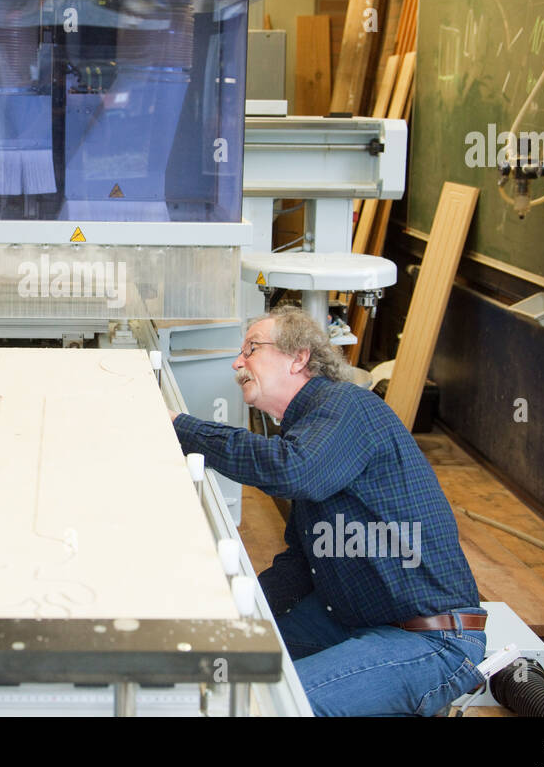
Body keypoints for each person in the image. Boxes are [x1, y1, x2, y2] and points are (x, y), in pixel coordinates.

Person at [170, 304, 486, 716]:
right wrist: (231, 619)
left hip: (428, 639)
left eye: (251, 349)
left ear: (299, 357)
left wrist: (182, 427)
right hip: (352, 618)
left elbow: (291, 470)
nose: (237, 363)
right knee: (220, 661)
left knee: (267, 706)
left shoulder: (346, 407)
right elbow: (301, 566)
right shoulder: (311, 429)